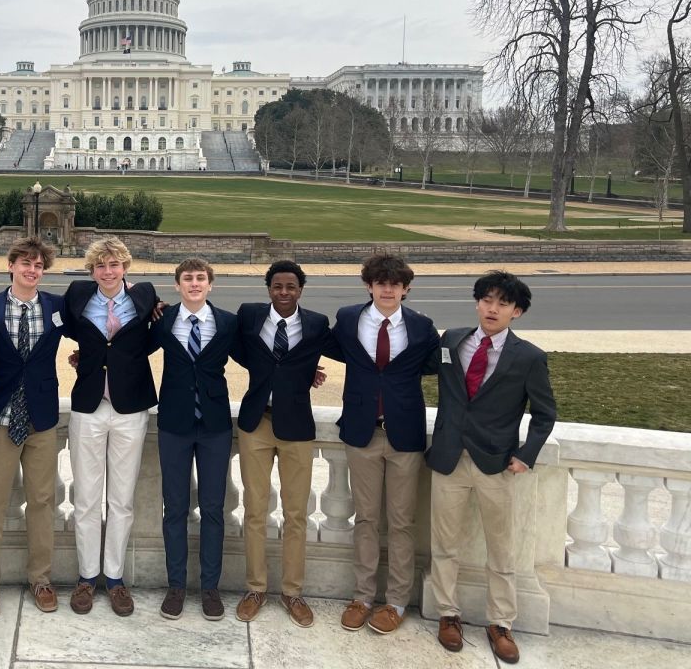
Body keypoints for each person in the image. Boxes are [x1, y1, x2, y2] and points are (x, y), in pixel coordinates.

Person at [428, 271, 557, 664]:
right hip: (448, 458)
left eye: (502, 303)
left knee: (501, 551)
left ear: (516, 312)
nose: (492, 308)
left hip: (496, 464)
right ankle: (448, 614)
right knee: (443, 546)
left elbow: (544, 413)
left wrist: (526, 453)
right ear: (477, 302)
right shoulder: (452, 340)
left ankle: (501, 623)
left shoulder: (530, 357)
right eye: (486, 299)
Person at [324, 253, 439, 634]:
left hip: (404, 435)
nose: (387, 289)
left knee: (402, 522)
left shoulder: (422, 328)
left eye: (395, 283)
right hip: (362, 432)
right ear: (369, 285)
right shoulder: (347, 319)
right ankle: (362, 596)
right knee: (367, 519)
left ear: (406, 288)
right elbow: (320, 348)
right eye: (380, 282)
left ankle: (396, 602)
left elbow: (435, 367)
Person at [231, 260, 332, 627]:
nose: (284, 292)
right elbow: (238, 349)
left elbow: (339, 349)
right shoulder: (249, 316)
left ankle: (292, 592)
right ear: (268, 288)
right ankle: (255, 588)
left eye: (291, 286)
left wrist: (306, 371)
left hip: (297, 426)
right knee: (255, 510)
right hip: (256, 423)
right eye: (277, 286)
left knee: (295, 514)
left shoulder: (317, 324)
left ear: (300, 290)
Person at [0, 236, 66, 616]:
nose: (32, 270)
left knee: (43, 502)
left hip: (42, 418)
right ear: (11, 266)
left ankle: (40, 579)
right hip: (2, 417)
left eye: (38, 265)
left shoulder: (57, 307)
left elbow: (97, 337)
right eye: (25, 263)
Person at [64, 236, 158, 616]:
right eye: (100, 265)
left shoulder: (145, 296)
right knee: (86, 498)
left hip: (129, 407)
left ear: (125, 268)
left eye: (114, 264)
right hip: (88, 406)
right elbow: (66, 324)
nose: (108, 271)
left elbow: (150, 339)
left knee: (121, 499)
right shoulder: (77, 295)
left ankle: (115, 578)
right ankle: (87, 576)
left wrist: (121, 361)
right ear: (91, 270)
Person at [149, 257, 237, 621]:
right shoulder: (163, 321)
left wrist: (306, 372)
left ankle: (210, 587)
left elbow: (262, 359)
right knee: (175, 508)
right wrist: (88, 360)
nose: (195, 283)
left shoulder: (228, 323)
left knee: (214, 508)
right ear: (178, 284)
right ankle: (177, 585)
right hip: (174, 423)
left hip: (215, 424)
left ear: (210, 284)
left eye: (201, 278)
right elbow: (128, 351)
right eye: (188, 278)